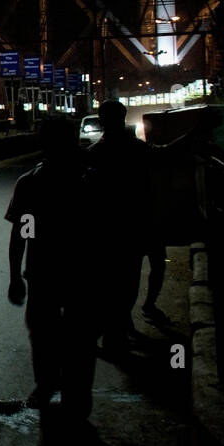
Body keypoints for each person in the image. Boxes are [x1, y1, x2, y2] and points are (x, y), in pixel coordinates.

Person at [6, 115, 102, 419]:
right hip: (82, 275)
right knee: (82, 337)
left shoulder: (32, 182)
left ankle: (47, 384)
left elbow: (21, 234)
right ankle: (77, 393)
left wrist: (14, 277)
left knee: (43, 334)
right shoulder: (91, 181)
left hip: (43, 274)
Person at [85, 100, 156, 356]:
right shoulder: (139, 151)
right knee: (126, 284)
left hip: (104, 233)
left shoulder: (93, 154)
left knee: (106, 285)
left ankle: (112, 332)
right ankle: (118, 330)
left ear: (103, 121)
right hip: (131, 230)